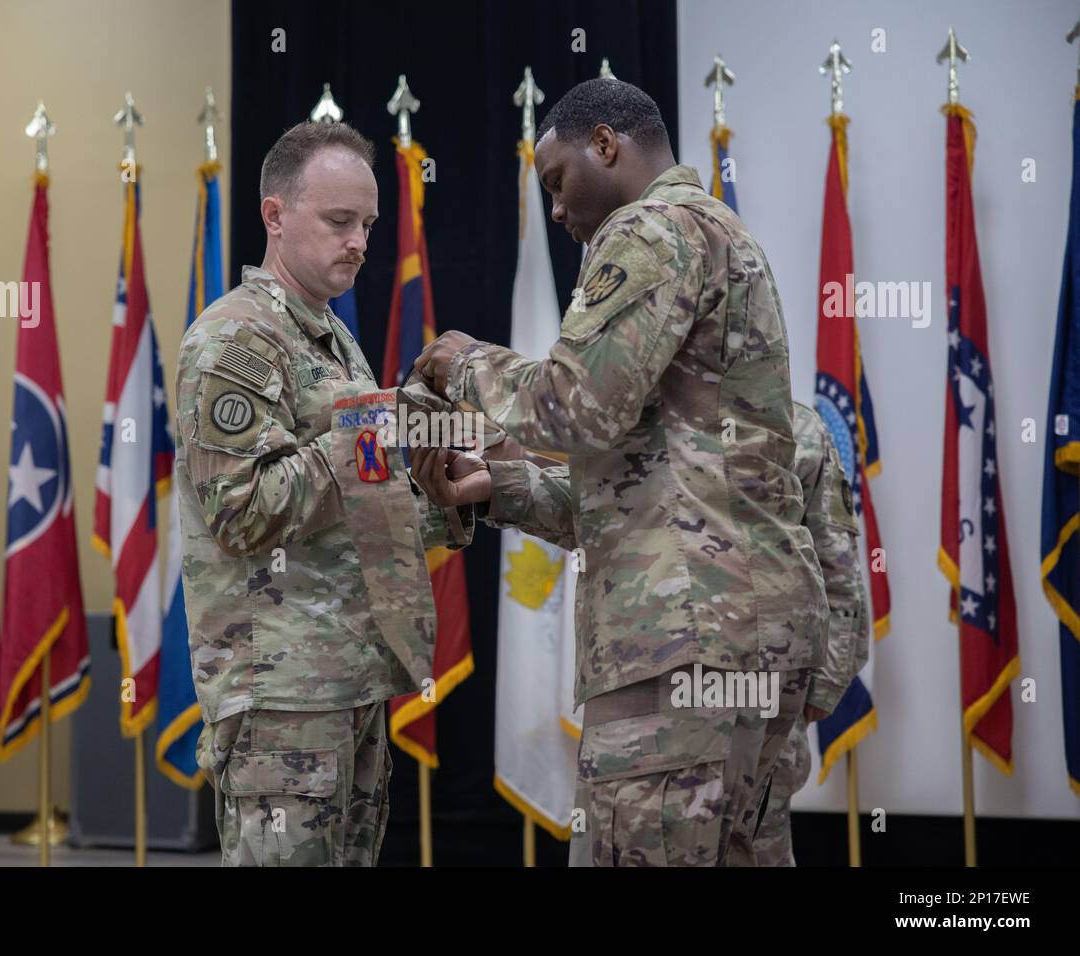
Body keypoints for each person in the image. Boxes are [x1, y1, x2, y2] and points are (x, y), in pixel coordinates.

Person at [411, 77, 828, 866]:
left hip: (675, 652)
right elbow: (654, 493)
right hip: (754, 651)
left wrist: (463, 362)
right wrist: (496, 487)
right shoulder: (722, 234)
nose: (559, 210)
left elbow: (575, 408)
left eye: (558, 181)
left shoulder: (650, 230)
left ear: (606, 144)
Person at [173, 121, 472, 867]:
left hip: (349, 681)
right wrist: (361, 435)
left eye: (368, 224)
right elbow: (239, 513)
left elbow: (351, 509)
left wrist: (446, 497)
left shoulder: (331, 339)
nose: (360, 241)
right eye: (340, 221)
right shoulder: (235, 343)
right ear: (275, 215)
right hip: (282, 697)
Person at [751, 401, 870, 866]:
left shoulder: (796, 427)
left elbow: (838, 570)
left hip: (764, 720)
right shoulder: (637, 412)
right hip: (656, 719)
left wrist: (821, 687)